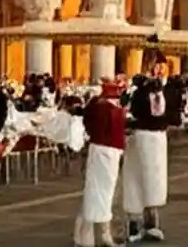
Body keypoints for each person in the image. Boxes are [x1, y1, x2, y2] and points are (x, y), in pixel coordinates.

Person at [123, 54, 179, 242]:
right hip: (141, 136)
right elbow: (132, 109)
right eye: (155, 66)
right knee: (136, 177)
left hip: (158, 138)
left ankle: (152, 222)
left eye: (162, 66)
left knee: (154, 179)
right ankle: (134, 223)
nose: (159, 70)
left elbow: (173, 113)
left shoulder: (170, 89)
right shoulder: (140, 90)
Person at [75, 79, 127, 247]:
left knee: (94, 192)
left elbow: (86, 119)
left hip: (98, 151)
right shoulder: (114, 110)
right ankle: (102, 236)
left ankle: (85, 237)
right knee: (104, 193)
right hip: (107, 154)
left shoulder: (97, 107)